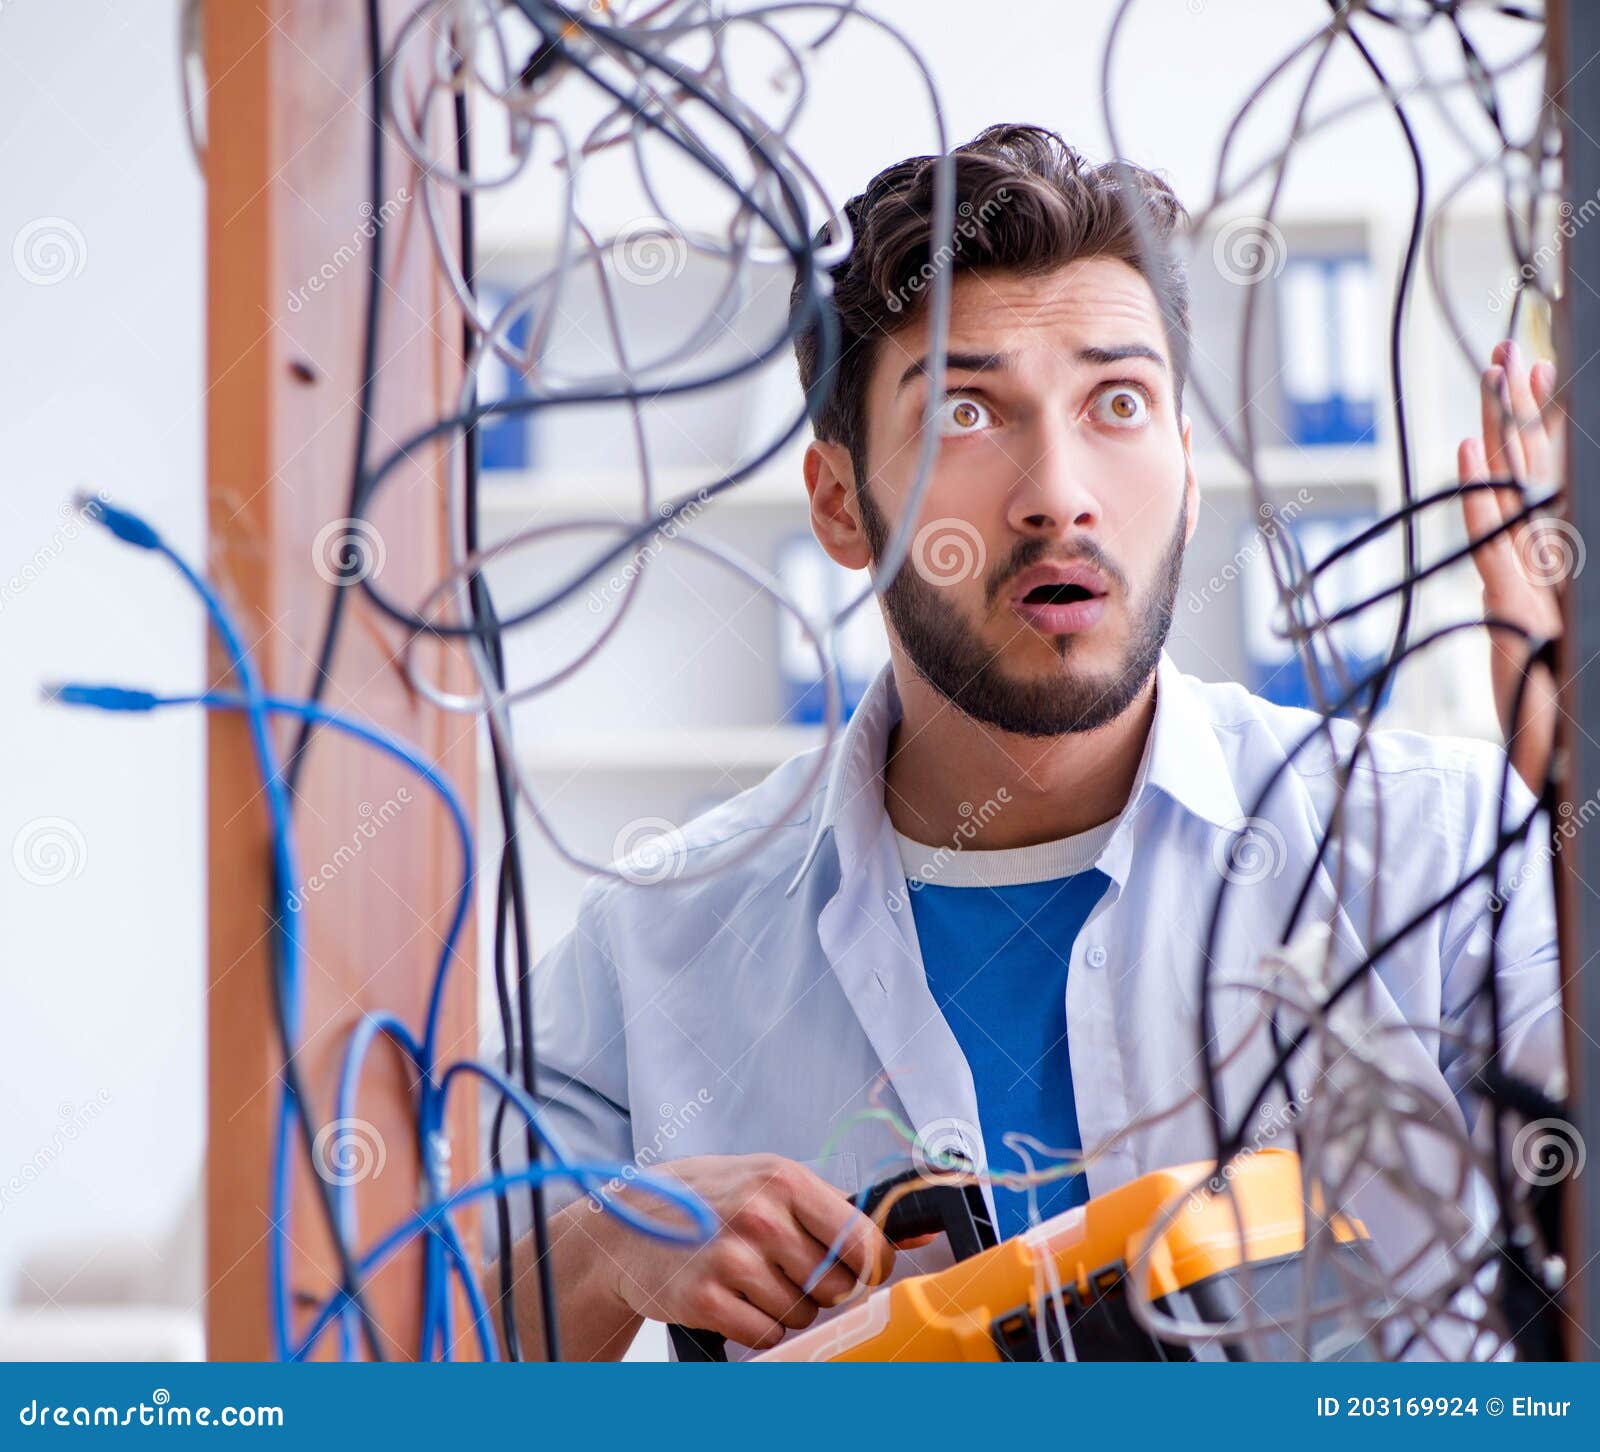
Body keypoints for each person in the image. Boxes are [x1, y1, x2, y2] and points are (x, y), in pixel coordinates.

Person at [503, 123, 1566, 1360]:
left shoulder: (1447, 851)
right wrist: (606, 1250)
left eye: (1118, 402)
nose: (1056, 491)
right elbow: (402, 1352)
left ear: (1183, 454)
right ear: (841, 504)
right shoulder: (659, 936)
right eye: (966, 409)